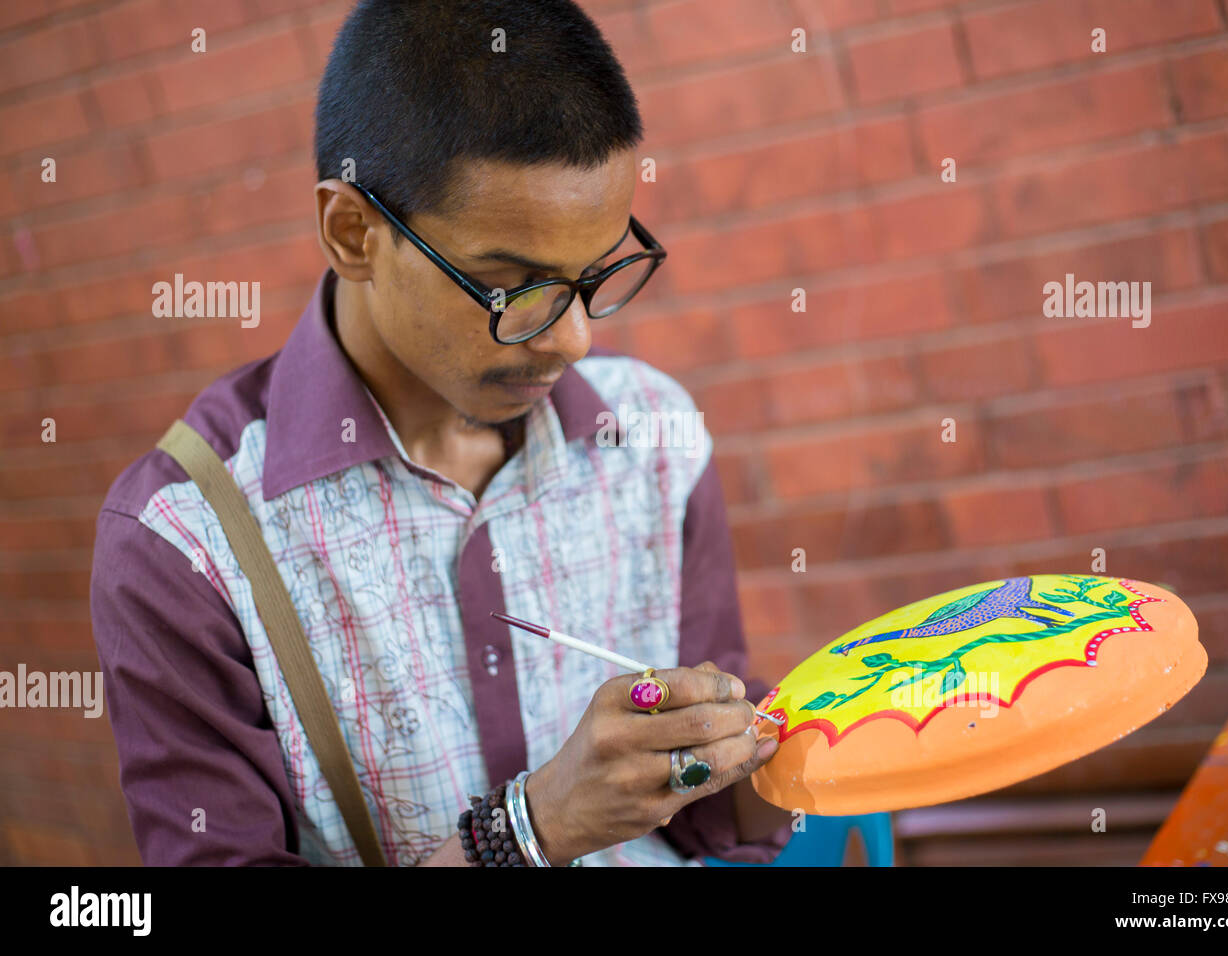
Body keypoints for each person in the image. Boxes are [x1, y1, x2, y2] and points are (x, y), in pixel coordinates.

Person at [90, 0, 793, 867]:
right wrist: (529, 832)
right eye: (512, 287)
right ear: (353, 232)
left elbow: (714, 827)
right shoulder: (184, 541)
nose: (571, 338)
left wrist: (827, 743)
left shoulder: (651, 436)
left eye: (596, 271)